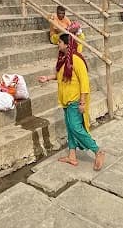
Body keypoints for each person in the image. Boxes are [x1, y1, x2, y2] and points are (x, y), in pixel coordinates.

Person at [38, 34, 105, 171]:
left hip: (75, 101)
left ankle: (97, 151)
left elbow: (85, 82)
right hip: (66, 101)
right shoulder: (64, 59)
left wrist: (82, 102)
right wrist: (48, 78)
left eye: (60, 42)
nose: (58, 45)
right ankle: (72, 156)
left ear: (67, 44)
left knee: (75, 128)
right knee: (70, 128)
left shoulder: (77, 59)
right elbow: (60, 75)